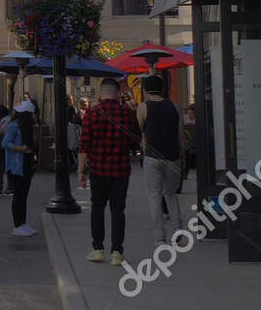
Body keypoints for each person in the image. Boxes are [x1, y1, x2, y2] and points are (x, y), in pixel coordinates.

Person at [77, 78, 141, 266]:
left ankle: (98, 249)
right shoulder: (127, 113)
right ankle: (117, 252)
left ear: (100, 93)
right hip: (120, 170)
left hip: (98, 170)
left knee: (97, 208)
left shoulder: (91, 113)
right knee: (118, 210)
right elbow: (136, 141)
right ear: (118, 93)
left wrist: (81, 171)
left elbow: (84, 145)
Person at [136, 75, 186, 245]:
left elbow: (141, 133)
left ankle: (160, 237)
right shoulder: (175, 106)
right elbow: (180, 135)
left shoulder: (143, 107)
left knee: (154, 196)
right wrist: (183, 157)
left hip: (152, 157)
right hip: (173, 156)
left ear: (146, 90)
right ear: (163, 88)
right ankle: (178, 229)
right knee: (170, 193)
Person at [3, 102, 37, 236]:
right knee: (18, 195)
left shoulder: (27, 127)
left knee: (23, 195)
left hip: (26, 164)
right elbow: (6, 143)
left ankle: (22, 223)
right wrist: (20, 149)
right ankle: (17, 225)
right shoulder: (14, 126)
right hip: (16, 166)